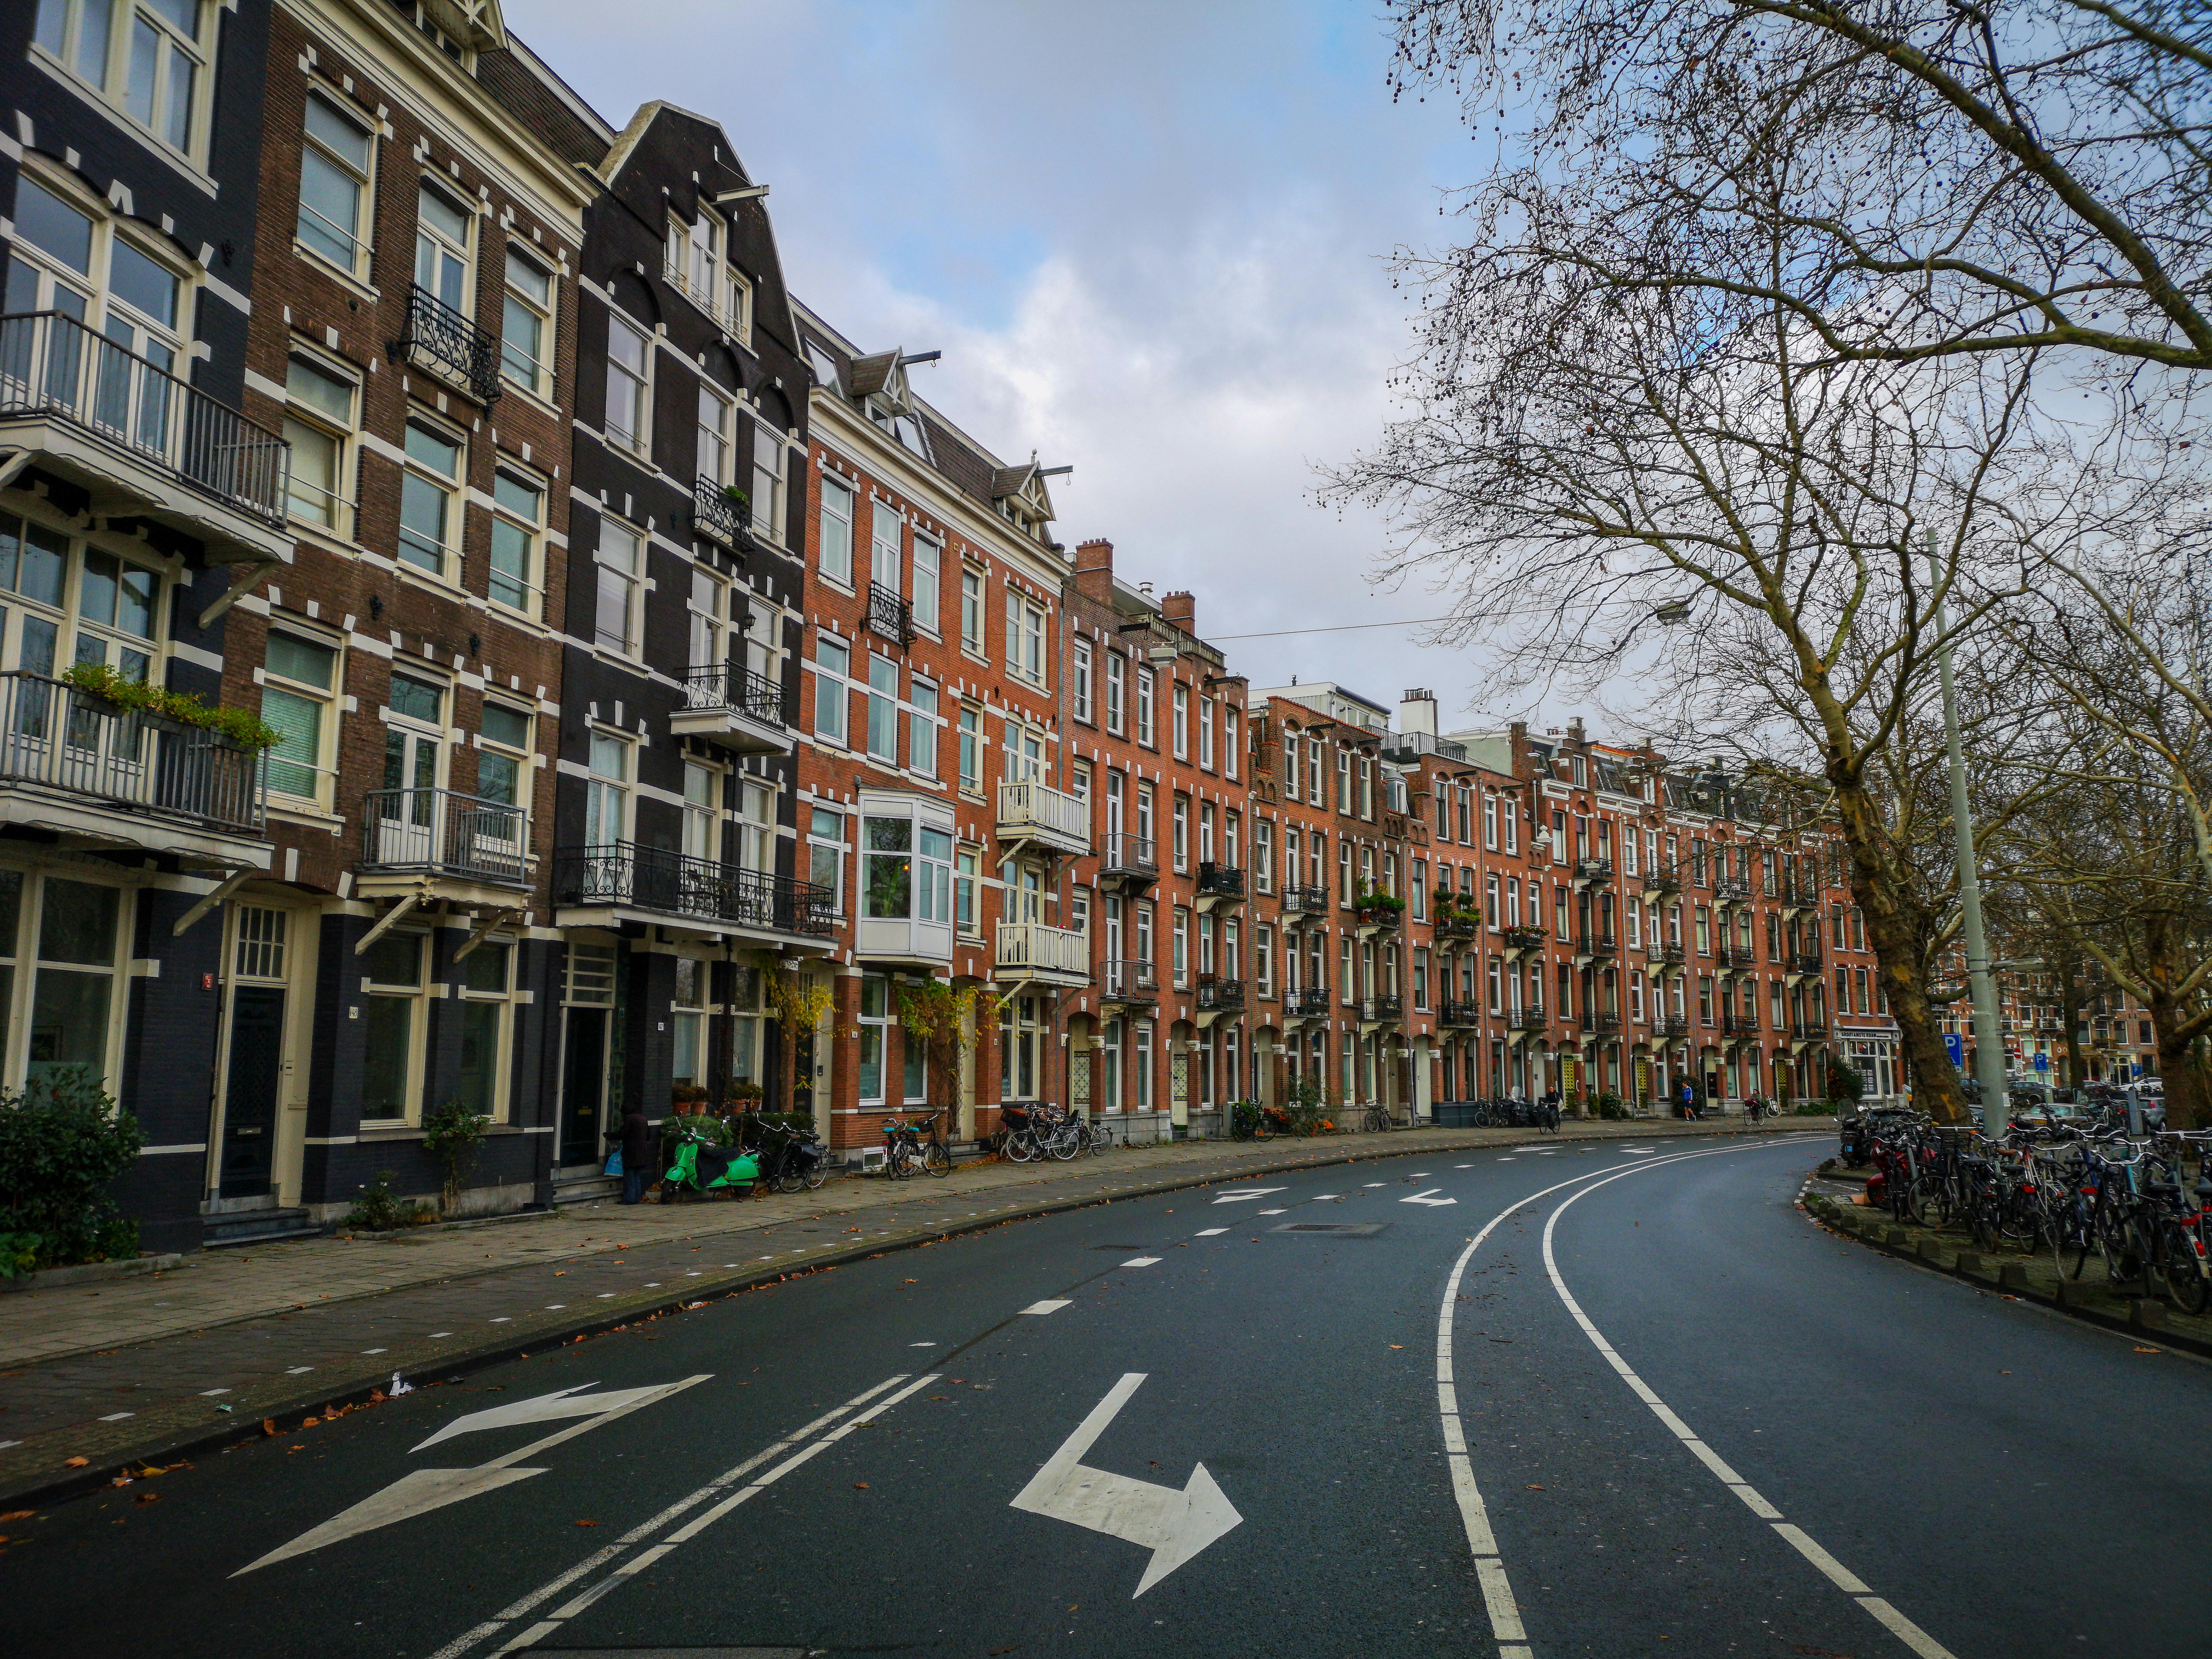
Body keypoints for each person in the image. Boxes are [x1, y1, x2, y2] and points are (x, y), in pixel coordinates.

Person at [618, 1103, 654, 1204]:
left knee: (629, 1176)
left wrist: (610, 1135)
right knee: (637, 1176)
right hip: (642, 1151)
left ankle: (629, 1199)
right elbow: (648, 1136)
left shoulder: (629, 1119)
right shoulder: (643, 1119)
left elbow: (623, 1133)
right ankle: (637, 1198)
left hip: (631, 1152)